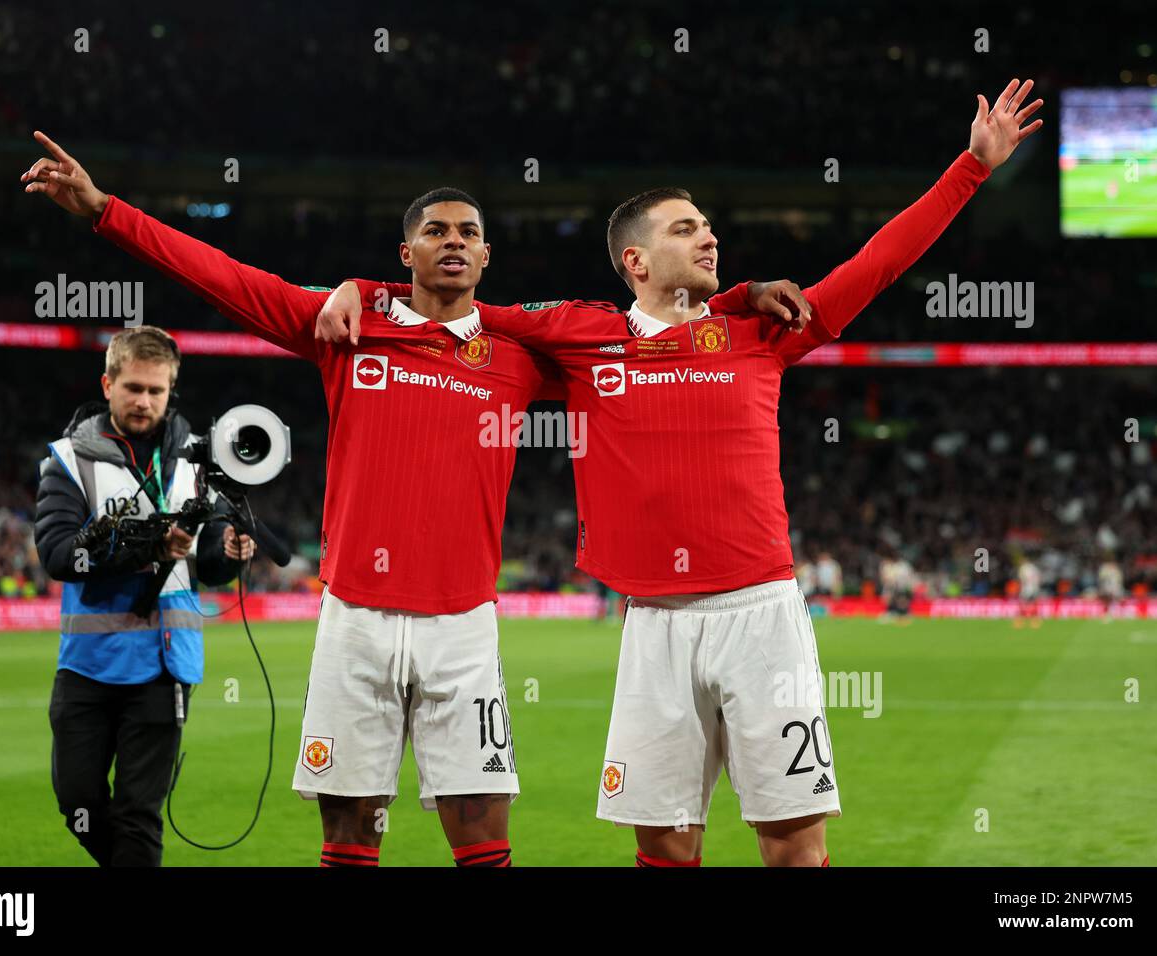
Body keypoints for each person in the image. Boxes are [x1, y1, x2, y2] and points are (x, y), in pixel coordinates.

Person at [323, 79, 1043, 866]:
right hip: (653, 626)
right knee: (665, 847)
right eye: (685, 229)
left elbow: (876, 265)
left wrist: (970, 169)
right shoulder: (579, 336)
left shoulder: (762, 330)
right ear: (635, 259)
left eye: (708, 227)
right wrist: (362, 288)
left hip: (762, 614)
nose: (709, 239)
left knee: (795, 846)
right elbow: (448, 298)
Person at [21, 133, 588, 866]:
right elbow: (224, 278)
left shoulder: (514, 355)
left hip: (464, 624)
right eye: (435, 230)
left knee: (482, 831)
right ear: (405, 253)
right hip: (355, 617)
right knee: (349, 831)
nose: (454, 241)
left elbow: (629, 336)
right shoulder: (347, 329)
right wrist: (105, 211)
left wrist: (734, 301)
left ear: (485, 259)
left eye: (470, 234)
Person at [33, 326, 255, 866]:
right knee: (78, 801)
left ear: (170, 391)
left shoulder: (198, 462)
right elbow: (60, 556)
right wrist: (151, 548)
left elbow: (207, 566)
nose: (144, 401)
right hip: (88, 666)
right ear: (107, 384)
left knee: (138, 812)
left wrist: (228, 551)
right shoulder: (69, 461)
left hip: (164, 665)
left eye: (156, 391)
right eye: (133, 388)